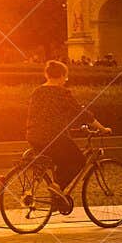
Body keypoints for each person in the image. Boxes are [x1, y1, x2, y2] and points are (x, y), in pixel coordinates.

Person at [25, 61, 109, 213]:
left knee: (61, 161)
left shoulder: (37, 91)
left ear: (46, 74)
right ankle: (56, 187)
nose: (65, 80)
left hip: (33, 136)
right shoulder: (62, 92)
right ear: (63, 75)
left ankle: (57, 199)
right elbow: (81, 113)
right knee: (79, 160)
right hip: (53, 137)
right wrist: (102, 128)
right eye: (66, 77)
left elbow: (44, 115)